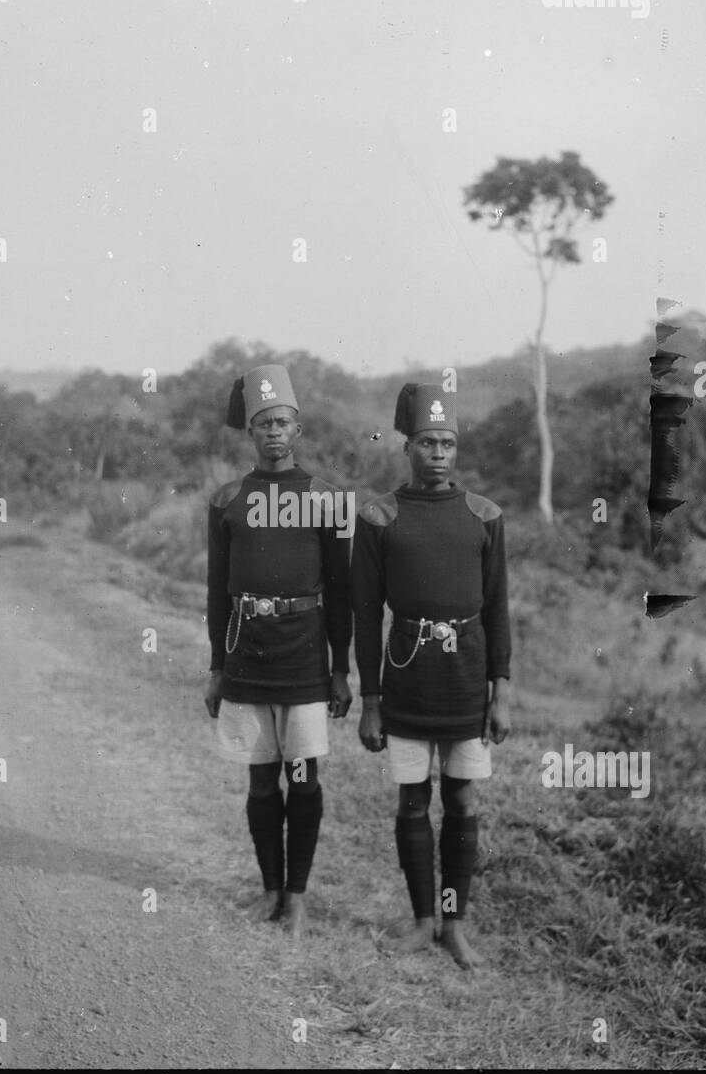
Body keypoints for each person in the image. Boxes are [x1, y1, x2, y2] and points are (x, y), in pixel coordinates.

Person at [351, 383, 511, 968]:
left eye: (446, 441)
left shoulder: (484, 516)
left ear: (456, 447)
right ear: (407, 447)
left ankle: (455, 922)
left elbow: (498, 610)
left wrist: (502, 694)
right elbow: (365, 618)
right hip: (408, 679)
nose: (438, 452)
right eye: (426, 442)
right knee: (413, 800)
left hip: (467, 681)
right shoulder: (379, 517)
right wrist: (370, 700)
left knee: (463, 799)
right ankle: (422, 920)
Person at [205, 364, 352, 937]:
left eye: (283, 422)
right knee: (261, 780)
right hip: (246, 655)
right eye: (263, 423)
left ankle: (297, 897)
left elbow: (341, 594)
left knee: (303, 777)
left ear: (298, 429)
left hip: (303, 657)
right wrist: (217, 668)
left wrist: (341, 670)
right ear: (251, 431)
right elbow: (218, 592)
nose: (273, 432)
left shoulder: (325, 499)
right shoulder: (227, 500)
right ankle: (268, 888)